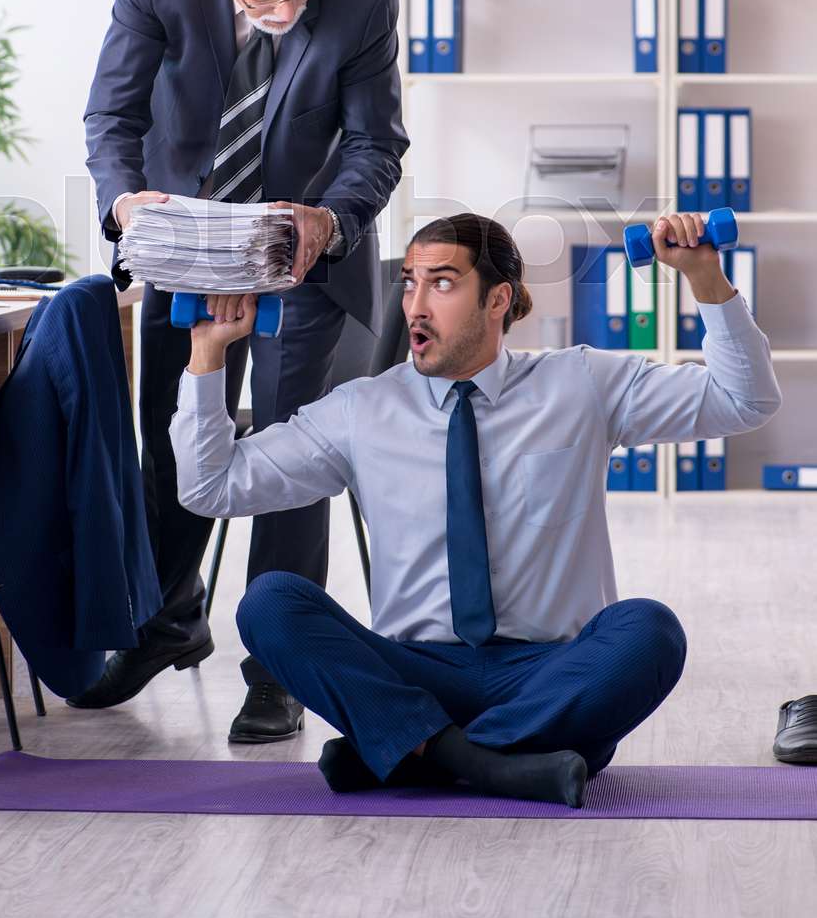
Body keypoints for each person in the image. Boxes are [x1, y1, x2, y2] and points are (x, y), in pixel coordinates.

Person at [169, 211, 783, 807]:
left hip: (548, 675)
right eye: (410, 283)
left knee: (649, 632)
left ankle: (409, 750)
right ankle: (491, 763)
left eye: (442, 283)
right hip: (414, 671)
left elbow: (744, 400)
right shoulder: (362, 410)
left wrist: (707, 278)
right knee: (272, 602)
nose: (414, 306)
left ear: (498, 301)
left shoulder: (582, 385)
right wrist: (208, 355)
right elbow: (212, 487)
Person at [75, 0, 408, 741]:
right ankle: (172, 617)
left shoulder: (364, 0)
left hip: (301, 256)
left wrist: (329, 218)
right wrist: (123, 207)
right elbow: (113, 113)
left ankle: (279, 666)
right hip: (183, 242)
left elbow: (377, 143)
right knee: (175, 437)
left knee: (291, 456)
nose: (287, 11)